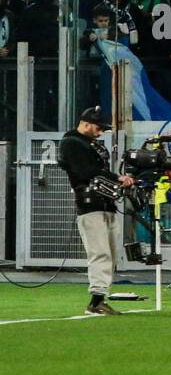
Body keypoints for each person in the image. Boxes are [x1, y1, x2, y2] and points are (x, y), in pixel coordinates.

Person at [58, 108, 135, 315]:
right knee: (100, 252)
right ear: (86, 123)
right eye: (99, 128)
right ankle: (95, 301)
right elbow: (84, 171)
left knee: (110, 253)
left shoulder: (90, 144)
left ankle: (100, 298)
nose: (101, 133)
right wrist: (116, 178)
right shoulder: (71, 143)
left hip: (106, 203)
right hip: (90, 205)